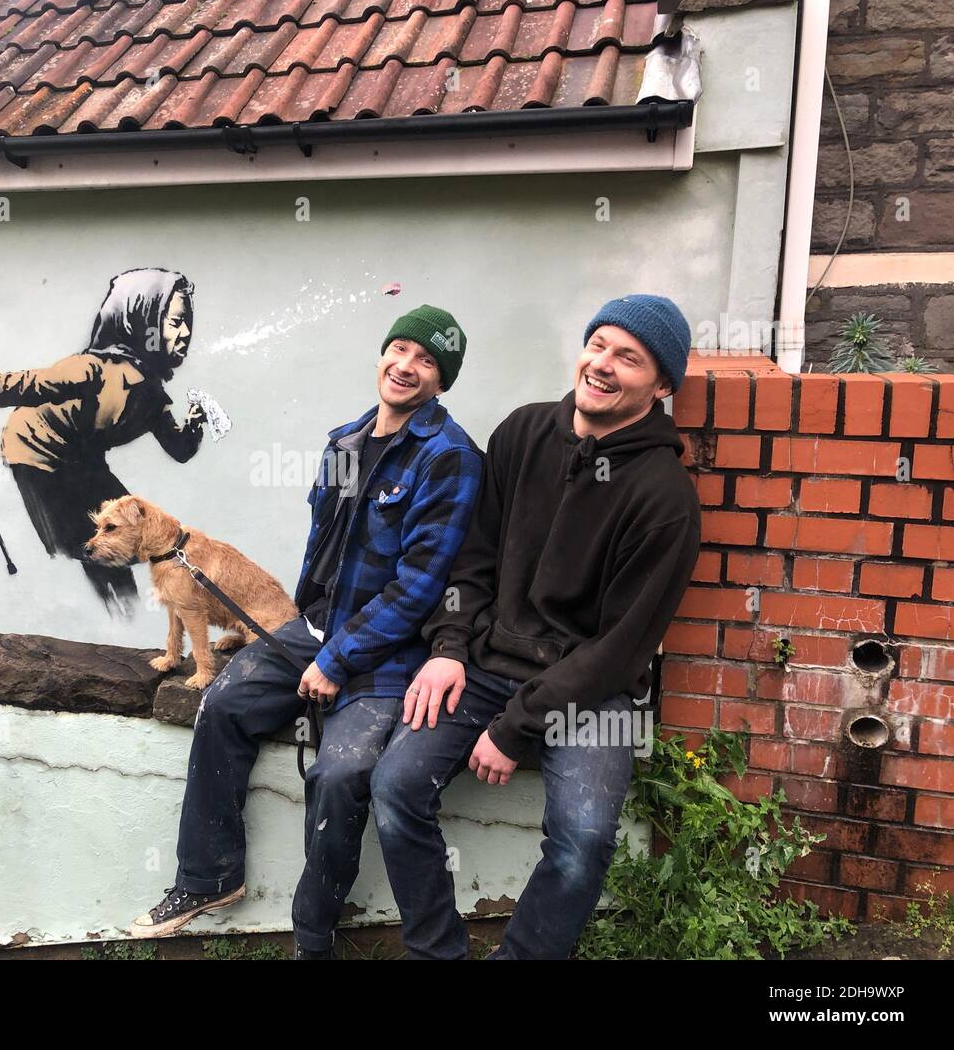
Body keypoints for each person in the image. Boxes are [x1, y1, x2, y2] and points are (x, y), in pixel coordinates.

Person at [128, 306, 483, 954]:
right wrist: (305, 636)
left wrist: (336, 659)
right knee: (224, 705)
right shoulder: (345, 441)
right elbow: (322, 555)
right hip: (316, 629)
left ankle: (311, 937)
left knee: (338, 775)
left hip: (388, 655)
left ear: (440, 380)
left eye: (426, 360)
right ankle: (209, 876)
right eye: (398, 348)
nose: (405, 365)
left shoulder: (448, 458)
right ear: (382, 355)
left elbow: (418, 588)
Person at [377, 294, 701, 959]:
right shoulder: (522, 433)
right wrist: (447, 645)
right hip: (488, 660)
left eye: (628, 358)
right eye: (598, 344)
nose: (602, 364)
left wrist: (515, 726)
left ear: (661, 385)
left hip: (590, 693)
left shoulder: (666, 498)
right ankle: (438, 951)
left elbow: (617, 650)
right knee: (395, 784)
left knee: (583, 840)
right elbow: (471, 562)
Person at [0, 267, 204, 619]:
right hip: (38, 452)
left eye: (187, 322)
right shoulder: (92, 368)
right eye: (174, 323)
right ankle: (110, 615)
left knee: (132, 531)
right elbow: (35, 383)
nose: (186, 333)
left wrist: (196, 424)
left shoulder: (153, 394)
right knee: (83, 543)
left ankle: (124, 613)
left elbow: (180, 449)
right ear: (142, 321)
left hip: (84, 458)